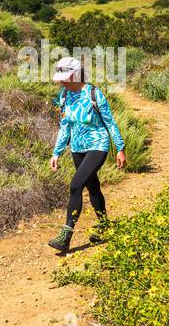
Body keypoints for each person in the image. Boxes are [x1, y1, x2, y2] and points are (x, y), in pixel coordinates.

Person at [47, 56, 127, 252]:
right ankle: (105, 225)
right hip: (77, 148)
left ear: (75, 75)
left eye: (65, 77)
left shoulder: (93, 93)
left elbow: (110, 122)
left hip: (98, 146)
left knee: (76, 185)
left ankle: (65, 236)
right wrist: (56, 153)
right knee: (93, 187)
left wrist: (120, 147)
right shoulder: (64, 96)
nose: (62, 81)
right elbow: (64, 126)